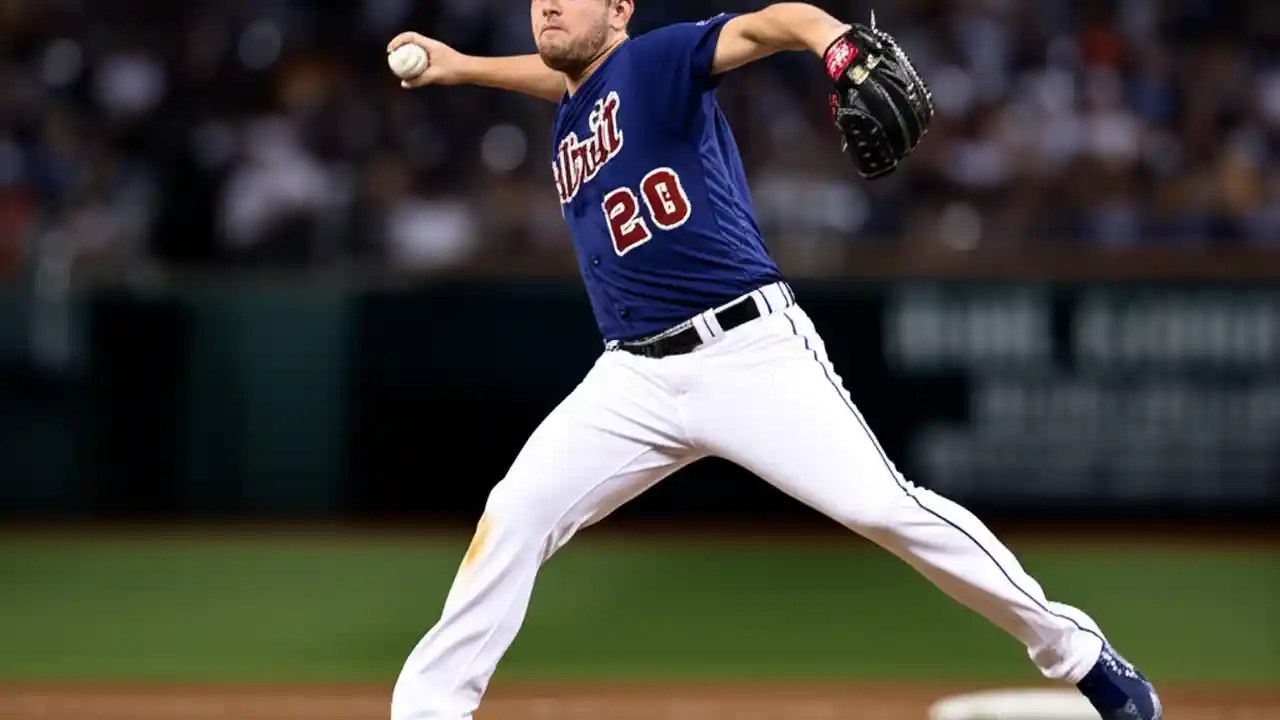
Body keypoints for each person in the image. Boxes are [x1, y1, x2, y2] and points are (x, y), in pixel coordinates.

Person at [384, 2, 1163, 719]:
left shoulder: (656, 61)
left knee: (883, 507)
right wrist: (463, 65)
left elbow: (770, 23)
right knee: (515, 513)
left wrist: (833, 45)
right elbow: (552, 69)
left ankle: (1087, 659)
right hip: (632, 377)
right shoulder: (575, 99)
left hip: (745, 354)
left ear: (620, 9)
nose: (547, 6)